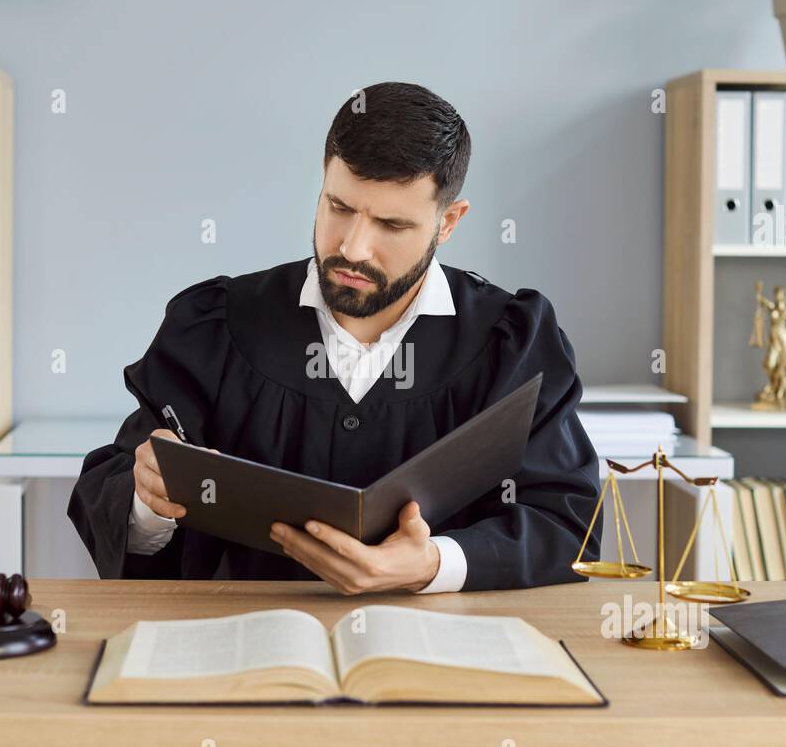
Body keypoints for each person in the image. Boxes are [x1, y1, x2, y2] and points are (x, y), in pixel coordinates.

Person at [67, 81, 601, 594]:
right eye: (339, 208)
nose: (353, 248)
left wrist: (433, 563)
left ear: (448, 222)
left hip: (443, 655)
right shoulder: (216, 324)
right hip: (241, 651)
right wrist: (146, 497)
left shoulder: (511, 342)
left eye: (392, 225)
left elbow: (568, 525)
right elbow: (112, 491)